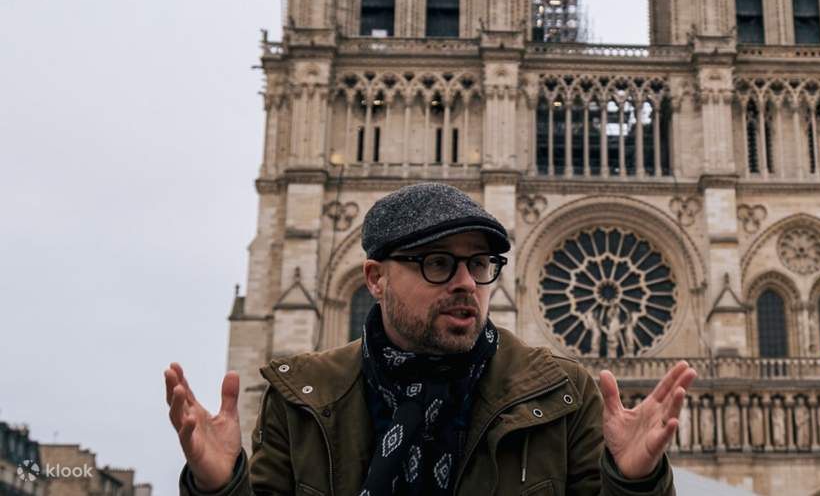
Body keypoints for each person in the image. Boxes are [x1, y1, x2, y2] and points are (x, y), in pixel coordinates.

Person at [164, 182, 697, 495]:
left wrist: (634, 483)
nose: (467, 283)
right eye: (438, 264)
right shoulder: (301, 399)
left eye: (481, 264)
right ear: (374, 279)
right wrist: (219, 486)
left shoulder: (565, 395)